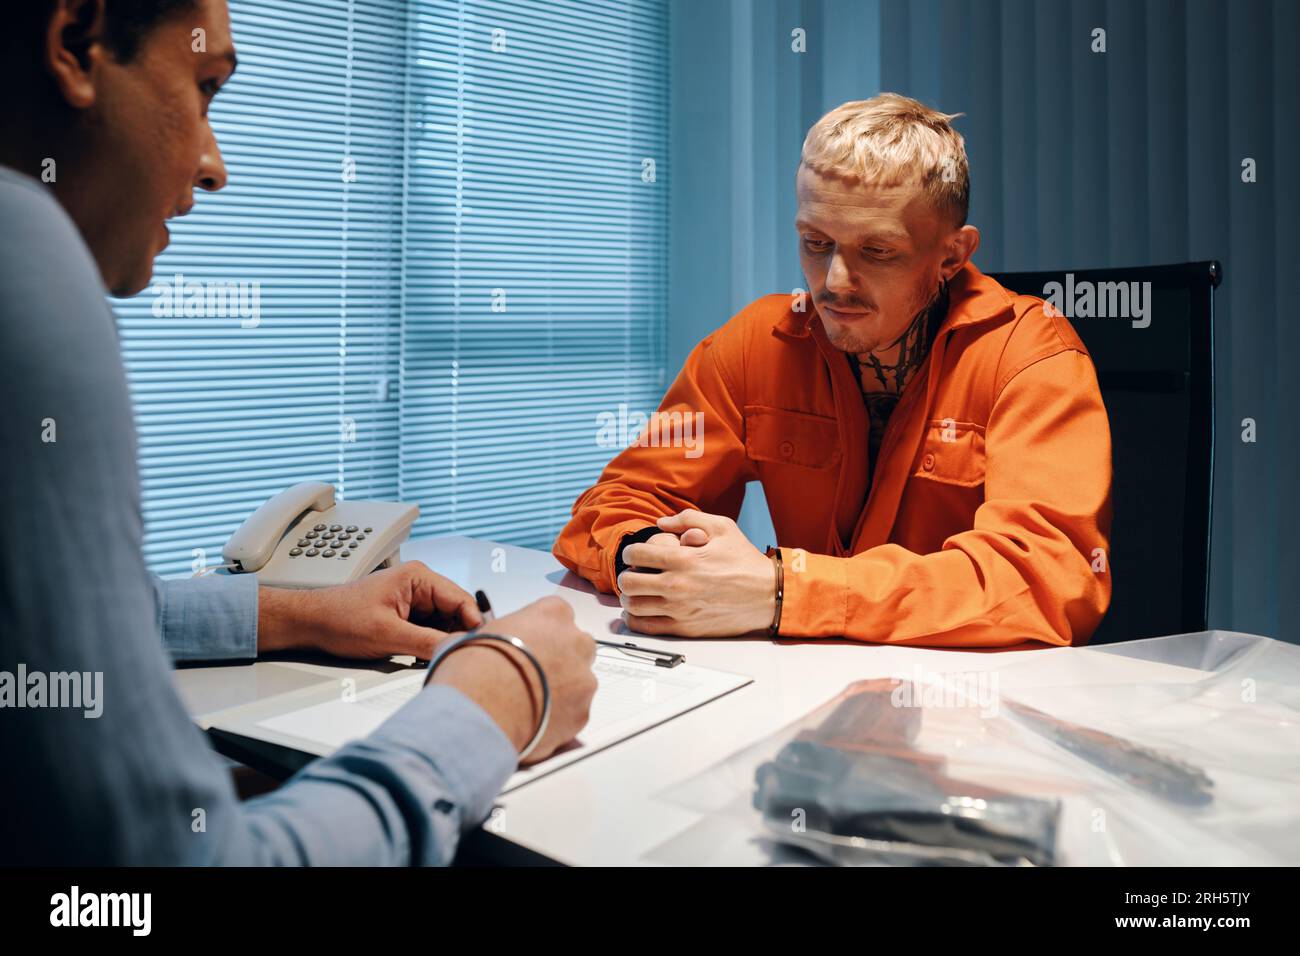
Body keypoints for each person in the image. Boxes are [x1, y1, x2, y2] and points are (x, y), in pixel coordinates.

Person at [0, 0, 597, 865]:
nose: (215, 167)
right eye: (206, 90)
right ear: (74, 42)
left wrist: (297, 612)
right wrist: (503, 693)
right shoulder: (22, 258)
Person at [554, 94, 1113, 649]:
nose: (835, 282)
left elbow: (1047, 582)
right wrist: (650, 558)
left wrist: (783, 591)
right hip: (803, 689)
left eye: (878, 252)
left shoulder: (1035, 358)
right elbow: (615, 504)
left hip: (973, 709)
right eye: (816, 243)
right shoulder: (757, 344)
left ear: (952, 255)